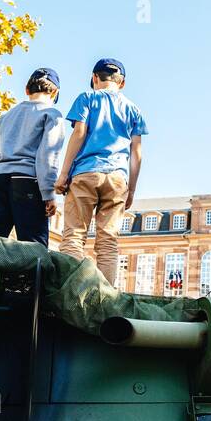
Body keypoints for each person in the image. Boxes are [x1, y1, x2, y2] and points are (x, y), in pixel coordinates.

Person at [54, 58, 146, 286]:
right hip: (117, 178)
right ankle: (105, 302)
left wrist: (64, 173)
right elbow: (136, 152)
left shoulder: (87, 98)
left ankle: (68, 293)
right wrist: (131, 189)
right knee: (108, 242)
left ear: (95, 78)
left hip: (86, 172)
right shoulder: (134, 109)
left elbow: (79, 134)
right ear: (122, 83)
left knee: (74, 236)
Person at [0, 67, 67, 246]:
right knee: (33, 245)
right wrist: (49, 193)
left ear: (27, 90)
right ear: (55, 92)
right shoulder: (52, 115)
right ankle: (30, 275)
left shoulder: (6, 117)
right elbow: (47, 156)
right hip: (28, 180)